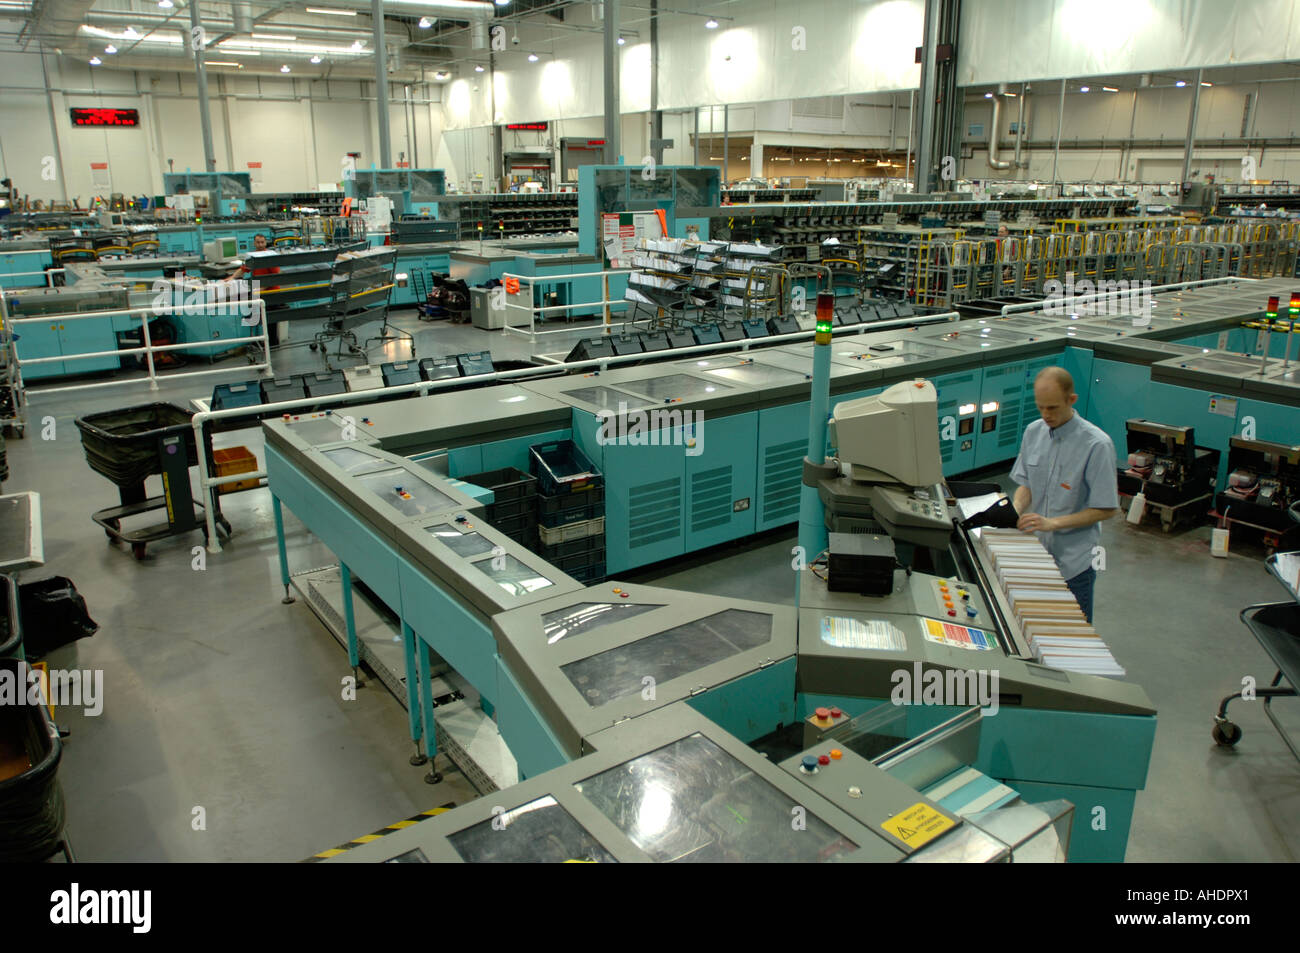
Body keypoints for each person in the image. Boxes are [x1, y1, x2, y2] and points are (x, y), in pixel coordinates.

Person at [1010, 367, 1119, 623]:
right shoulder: (1033, 433)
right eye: (1041, 408)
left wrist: (1053, 523)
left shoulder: (1096, 445)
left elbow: (1106, 508)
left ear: (1072, 400)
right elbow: (1026, 482)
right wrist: (1016, 507)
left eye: (1053, 408)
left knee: (1073, 633)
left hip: (1074, 566)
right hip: (1035, 558)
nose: (1046, 415)